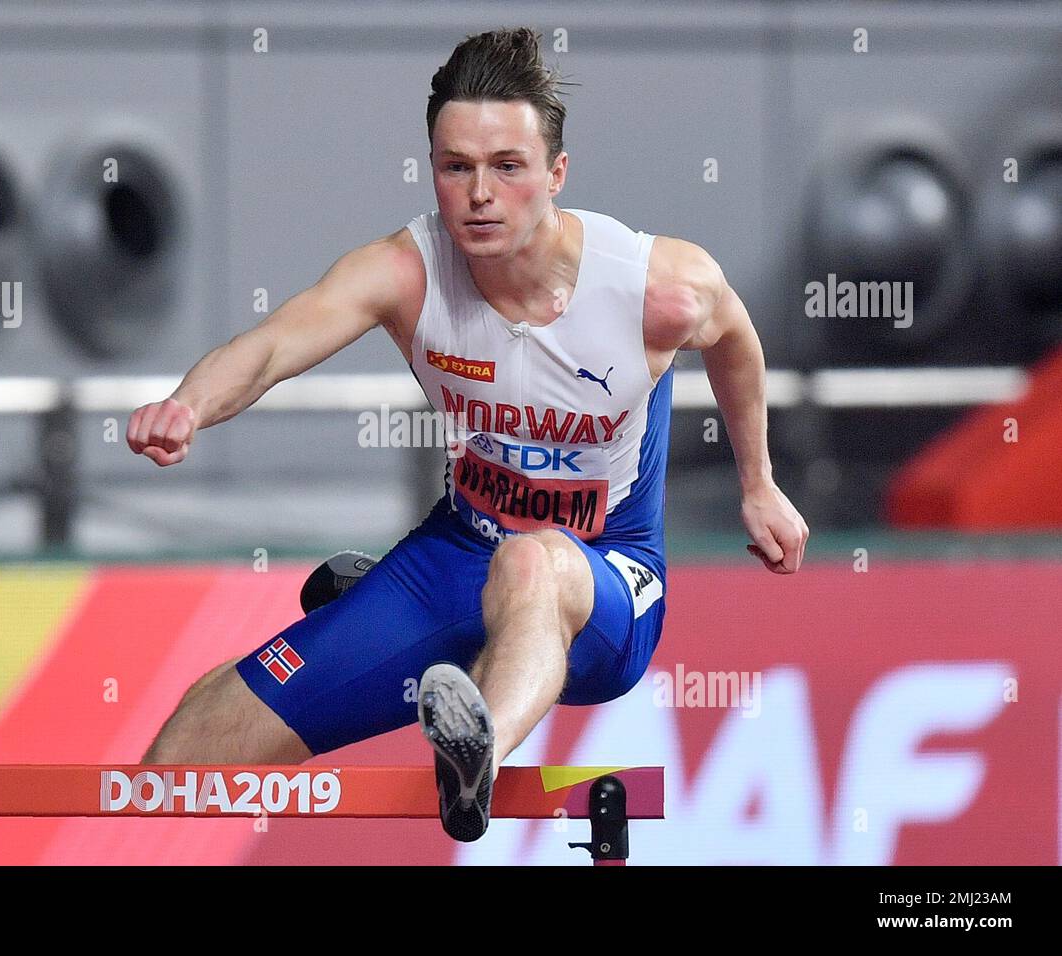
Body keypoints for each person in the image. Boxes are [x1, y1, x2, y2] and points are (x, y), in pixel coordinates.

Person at [128, 27, 808, 842]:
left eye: (506, 167)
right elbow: (275, 343)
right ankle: (442, 689)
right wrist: (189, 404)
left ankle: (472, 752)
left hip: (606, 580)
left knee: (534, 563)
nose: (479, 194)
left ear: (556, 175)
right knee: (182, 759)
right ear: (433, 172)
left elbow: (735, 339)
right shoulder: (406, 274)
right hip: (456, 557)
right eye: (457, 167)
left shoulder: (651, 287)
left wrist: (758, 483)